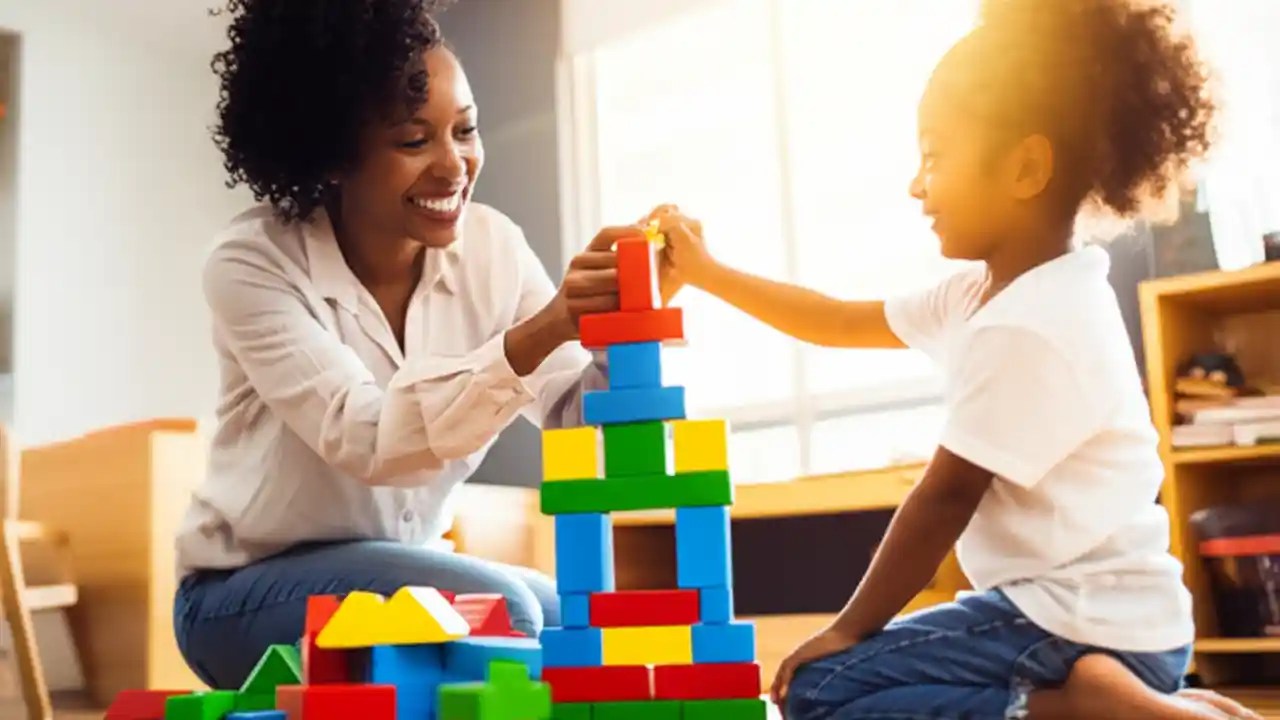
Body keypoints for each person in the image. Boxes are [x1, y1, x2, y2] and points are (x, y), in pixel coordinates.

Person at [653, 0, 1262, 718]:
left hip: (1072, 619)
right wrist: (708, 273)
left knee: (814, 690)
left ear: (1026, 167)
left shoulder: (1032, 323)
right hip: (1100, 623)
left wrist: (848, 628)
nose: (916, 185)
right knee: (850, 681)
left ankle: (1083, 707)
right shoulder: (991, 295)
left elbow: (942, 497)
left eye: (934, 156)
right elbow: (835, 320)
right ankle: (1129, 703)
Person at [172, 0, 677, 689]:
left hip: (407, 571)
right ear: (333, 155)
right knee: (503, 615)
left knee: (586, 625)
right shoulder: (252, 264)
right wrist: (547, 327)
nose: (454, 165)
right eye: (414, 142)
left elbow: (573, 417)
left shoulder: (492, 247)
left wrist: (625, 324)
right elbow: (370, 437)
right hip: (243, 595)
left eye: (465, 131)